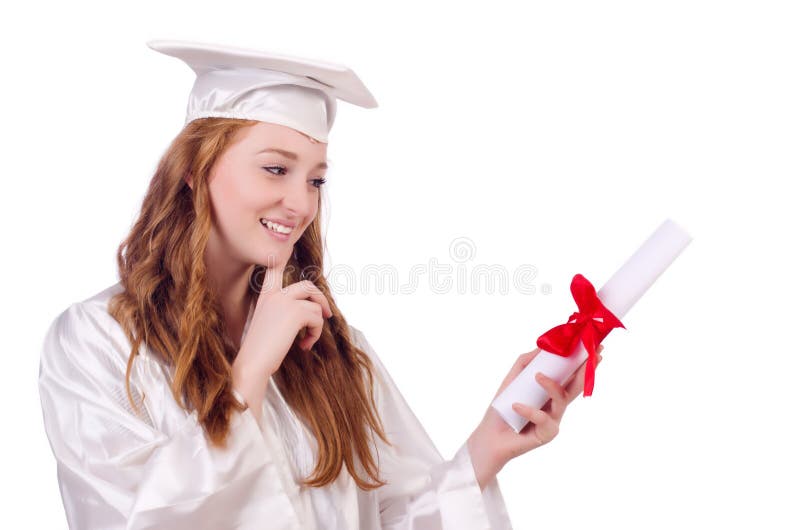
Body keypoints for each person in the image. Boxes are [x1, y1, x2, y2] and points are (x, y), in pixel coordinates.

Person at [37, 39, 601, 530]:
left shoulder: (331, 347)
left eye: (316, 179)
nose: (302, 203)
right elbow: (131, 520)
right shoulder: (98, 342)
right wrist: (250, 370)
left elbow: (394, 519)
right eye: (276, 169)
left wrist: (488, 446)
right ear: (195, 171)